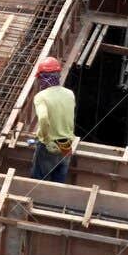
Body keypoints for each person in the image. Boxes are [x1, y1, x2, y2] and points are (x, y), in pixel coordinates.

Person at [30, 56, 77, 184]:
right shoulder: (69, 94)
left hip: (50, 145)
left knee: (38, 180)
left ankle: (36, 201)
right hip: (66, 143)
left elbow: (44, 119)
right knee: (58, 181)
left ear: (42, 78)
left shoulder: (41, 97)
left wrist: (45, 139)